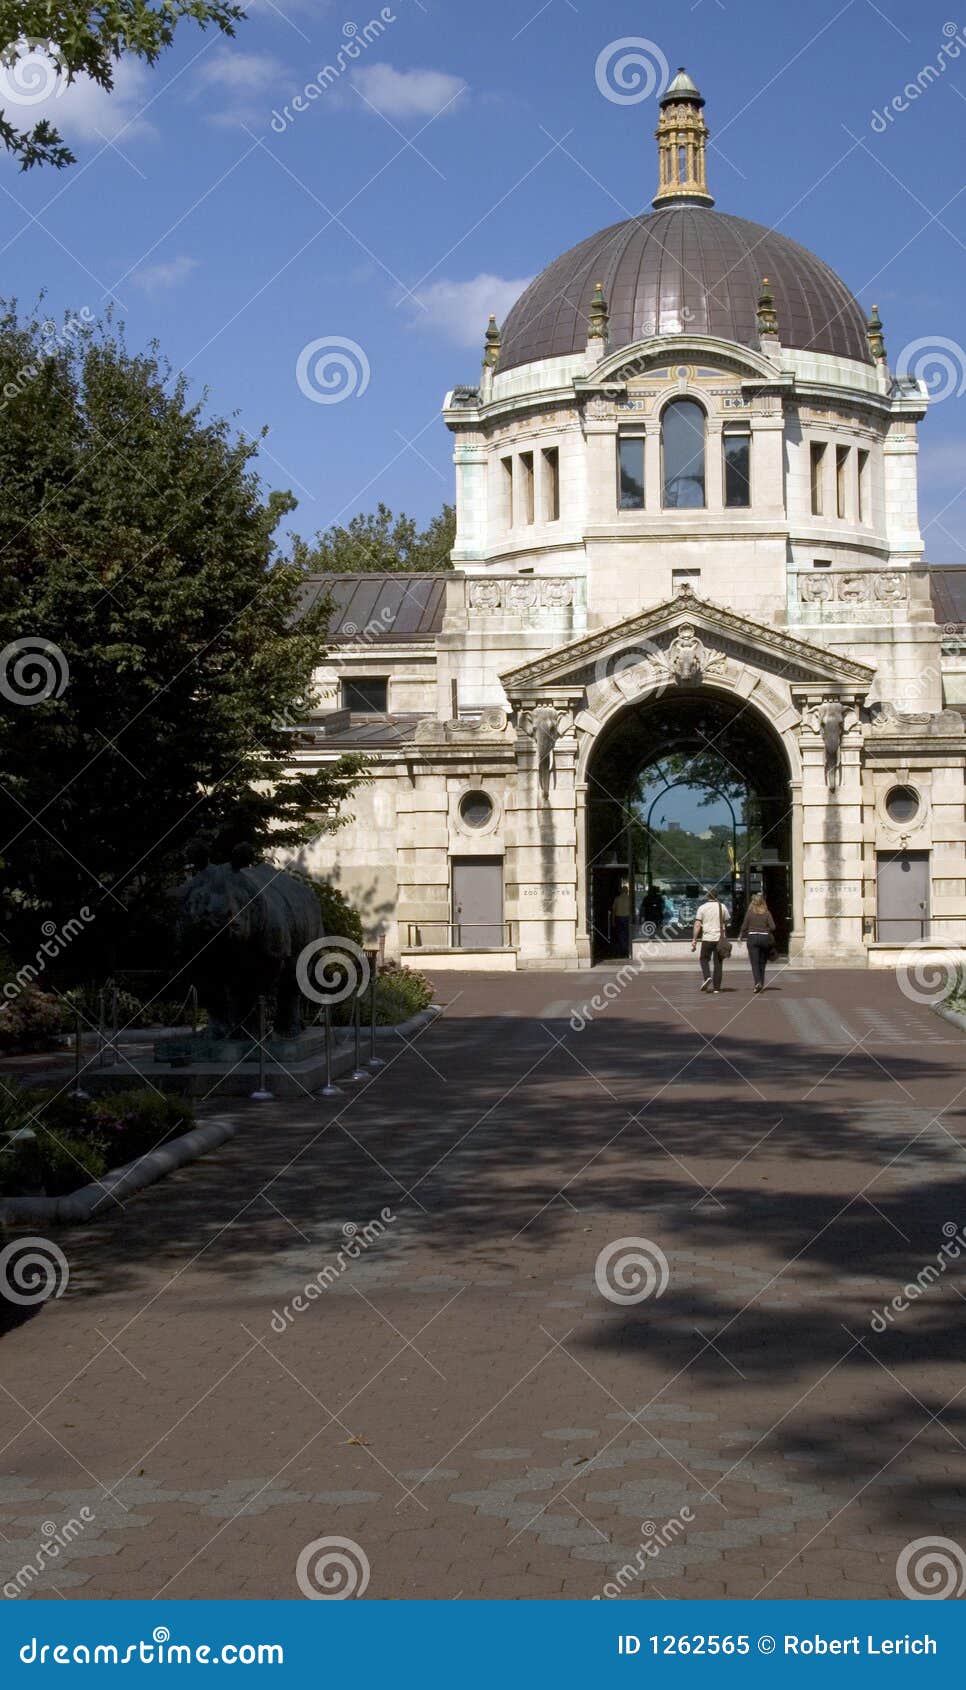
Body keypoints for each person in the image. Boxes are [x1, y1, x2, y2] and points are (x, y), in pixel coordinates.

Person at [691, 886, 731, 993]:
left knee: (703, 958)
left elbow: (697, 924)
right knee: (718, 963)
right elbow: (727, 920)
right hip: (719, 939)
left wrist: (694, 939)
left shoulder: (702, 908)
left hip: (707, 938)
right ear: (717, 896)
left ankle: (707, 976)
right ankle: (717, 988)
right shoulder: (722, 907)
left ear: (707, 896)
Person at [740, 893, 776, 993]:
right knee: (762, 962)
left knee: (754, 962)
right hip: (764, 938)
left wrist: (741, 935)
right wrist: (765, 929)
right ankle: (762, 983)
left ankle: (757, 982)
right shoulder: (767, 913)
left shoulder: (750, 913)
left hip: (752, 938)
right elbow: (773, 927)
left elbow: (744, 926)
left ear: (753, 902)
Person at [612, 882, 631, 956]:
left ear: (621, 891)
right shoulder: (630, 899)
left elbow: (613, 910)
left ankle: (623, 948)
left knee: (621, 934)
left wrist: (613, 921)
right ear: (627, 891)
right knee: (627, 934)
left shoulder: (617, 899)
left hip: (619, 917)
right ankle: (626, 949)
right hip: (627, 917)